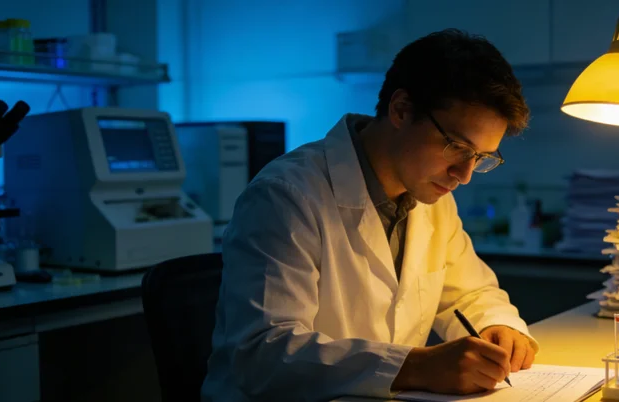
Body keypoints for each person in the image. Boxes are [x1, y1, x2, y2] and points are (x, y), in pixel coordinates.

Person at [201, 29, 538, 402]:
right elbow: (264, 354)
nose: (465, 175)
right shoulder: (286, 195)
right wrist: (416, 367)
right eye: (457, 146)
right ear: (401, 109)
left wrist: (499, 327)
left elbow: (470, 292)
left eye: (480, 157)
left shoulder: (432, 196)